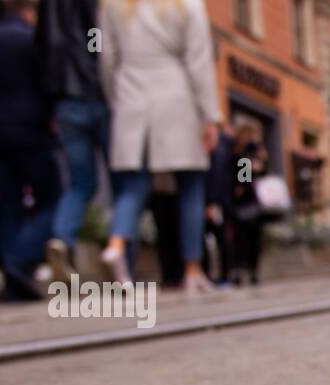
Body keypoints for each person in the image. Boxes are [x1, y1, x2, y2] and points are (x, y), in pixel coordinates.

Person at [99, 0, 222, 292]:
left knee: (133, 186)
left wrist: (116, 101)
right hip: (176, 96)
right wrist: (210, 116)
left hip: (131, 94)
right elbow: (199, 61)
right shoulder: (187, 5)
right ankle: (192, 268)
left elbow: (104, 58)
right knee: (190, 187)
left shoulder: (112, 6)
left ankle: (116, 245)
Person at [0, 0, 59, 301]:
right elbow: (47, 83)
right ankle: (21, 262)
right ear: (29, 12)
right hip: (29, 130)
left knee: (8, 205)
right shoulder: (31, 40)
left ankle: (13, 279)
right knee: (52, 199)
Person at [35, 0, 106, 280]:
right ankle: (120, 255)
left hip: (65, 102)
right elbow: (95, 42)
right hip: (98, 96)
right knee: (122, 180)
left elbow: (42, 53)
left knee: (79, 182)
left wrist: (51, 104)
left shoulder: (47, 7)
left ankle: (62, 239)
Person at [230, 122, 267, 286]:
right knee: (247, 240)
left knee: (245, 240)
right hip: (246, 205)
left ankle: (246, 271)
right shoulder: (244, 155)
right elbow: (243, 181)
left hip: (245, 204)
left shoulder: (244, 154)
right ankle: (248, 271)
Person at [203, 121, 235, 284]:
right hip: (226, 200)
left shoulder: (225, 148)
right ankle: (227, 274)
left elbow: (218, 176)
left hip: (221, 201)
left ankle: (225, 275)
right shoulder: (230, 148)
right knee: (223, 238)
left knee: (221, 238)